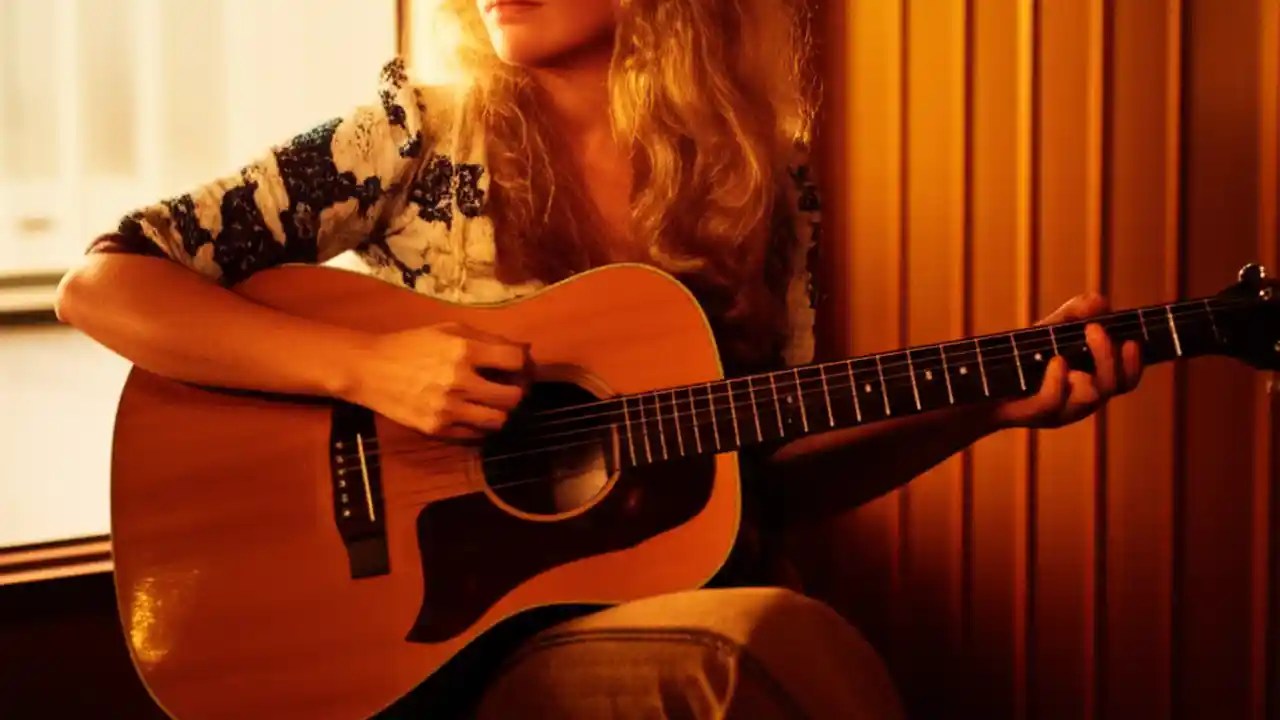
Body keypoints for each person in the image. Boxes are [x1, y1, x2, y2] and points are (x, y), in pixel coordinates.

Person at [55, 0, 1143, 716]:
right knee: (765, 647)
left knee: (767, 633)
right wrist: (365, 371)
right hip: (435, 647)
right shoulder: (413, 135)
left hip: (637, 611)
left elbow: (764, 474)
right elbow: (104, 281)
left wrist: (976, 411)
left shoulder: (762, 181)